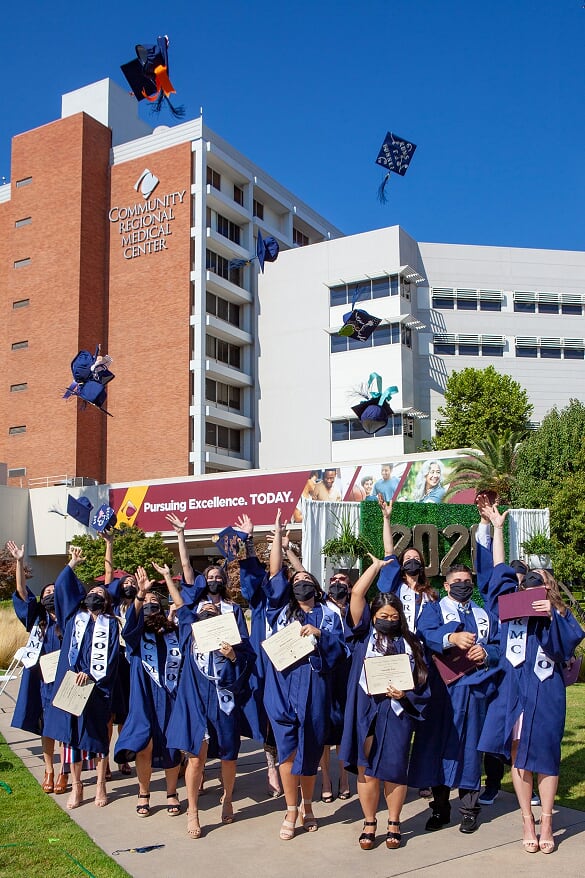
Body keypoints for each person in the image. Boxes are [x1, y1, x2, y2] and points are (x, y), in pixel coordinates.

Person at [478, 505, 585, 854]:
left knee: (547, 756)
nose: (534, 584)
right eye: (530, 580)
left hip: (546, 691)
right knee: (518, 755)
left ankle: (548, 820)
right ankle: (527, 818)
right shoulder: (509, 607)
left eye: (543, 580)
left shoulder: (558, 615)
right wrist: (496, 528)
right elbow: (498, 571)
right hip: (514, 692)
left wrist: (554, 611)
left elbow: (569, 641)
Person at [263, 510, 347, 840]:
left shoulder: (329, 614)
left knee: (309, 751)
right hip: (284, 688)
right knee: (288, 751)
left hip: (315, 688)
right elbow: (274, 576)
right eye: (296, 582)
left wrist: (321, 635)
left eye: (305, 581)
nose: (300, 583)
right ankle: (290, 809)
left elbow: (340, 651)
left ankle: (308, 805)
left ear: (316, 586)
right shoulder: (281, 610)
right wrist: (280, 536)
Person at [339, 556, 429, 851]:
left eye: (394, 616)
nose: (388, 620)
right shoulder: (362, 636)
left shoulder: (411, 643)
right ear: (373, 615)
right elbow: (356, 594)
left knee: (394, 767)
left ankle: (394, 821)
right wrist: (377, 567)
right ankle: (369, 821)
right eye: (383, 615)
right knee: (366, 768)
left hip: (397, 710)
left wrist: (406, 695)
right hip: (367, 708)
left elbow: (421, 680)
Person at [163, 557, 256, 839]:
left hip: (222, 695)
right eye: (210, 576)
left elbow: (246, 653)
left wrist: (233, 655)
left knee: (229, 755)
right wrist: (169, 576)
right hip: (196, 697)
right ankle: (193, 811)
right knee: (195, 758)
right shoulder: (192, 619)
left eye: (219, 576)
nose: (215, 579)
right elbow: (180, 604)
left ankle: (227, 799)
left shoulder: (232, 616)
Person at [415, 564, 500, 834]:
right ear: (447, 586)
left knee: (471, 751)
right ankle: (440, 809)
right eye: (457, 581)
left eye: (467, 580)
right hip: (443, 692)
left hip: (475, 692)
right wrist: (451, 636)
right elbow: (425, 633)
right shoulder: (435, 608)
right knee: (440, 750)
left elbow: (499, 644)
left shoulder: (483, 614)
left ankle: (469, 810)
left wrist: (486, 654)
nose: (463, 584)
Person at [43, 547, 120, 809]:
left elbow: (110, 658)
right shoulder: (73, 618)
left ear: (107, 602)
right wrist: (73, 563)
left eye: (100, 593)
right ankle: (77, 786)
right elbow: (63, 589)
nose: (95, 594)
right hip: (72, 685)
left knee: (97, 737)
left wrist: (92, 675)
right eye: (91, 592)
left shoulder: (110, 624)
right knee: (71, 737)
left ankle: (100, 784)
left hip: (96, 687)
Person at [8, 541, 83, 796]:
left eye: (54, 591)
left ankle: (63, 772)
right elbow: (20, 592)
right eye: (47, 592)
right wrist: (19, 561)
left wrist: (71, 564)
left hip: (63, 681)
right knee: (45, 727)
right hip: (42, 682)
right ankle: (49, 769)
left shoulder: (69, 620)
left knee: (63, 727)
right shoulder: (38, 621)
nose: (51, 594)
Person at [376, 496, 438, 798]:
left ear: (422, 564)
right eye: (407, 558)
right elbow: (388, 554)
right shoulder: (394, 588)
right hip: (398, 654)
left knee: (421, 711)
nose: (411, 560)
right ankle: (392, 769)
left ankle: (423, 775)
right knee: (399, 712)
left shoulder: (431, 594)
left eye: (416, 558)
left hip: (423, 658)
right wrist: (387, 518)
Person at [114, 566, 182, 817]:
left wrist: (165, 580)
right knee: (144, 745)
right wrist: (140, 595)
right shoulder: (136, 635)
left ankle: (172, 792)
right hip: (143, 697)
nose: (151, 604)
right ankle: (143, 793)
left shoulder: (172, 633)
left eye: (156, 601)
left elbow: (183, 613)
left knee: (172, 746)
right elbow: (129, 626)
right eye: (147, 603)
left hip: (170, 697)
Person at [319, 569, 363, 802]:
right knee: (325, 728)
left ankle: (344, 778)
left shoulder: (356, 608)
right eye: (332, 580)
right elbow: (302, 576)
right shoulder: (321, 609)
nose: (336, 583)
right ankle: (326, 778)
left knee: (344, 728)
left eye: (341, 580)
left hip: (350, 672)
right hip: (327, 673)